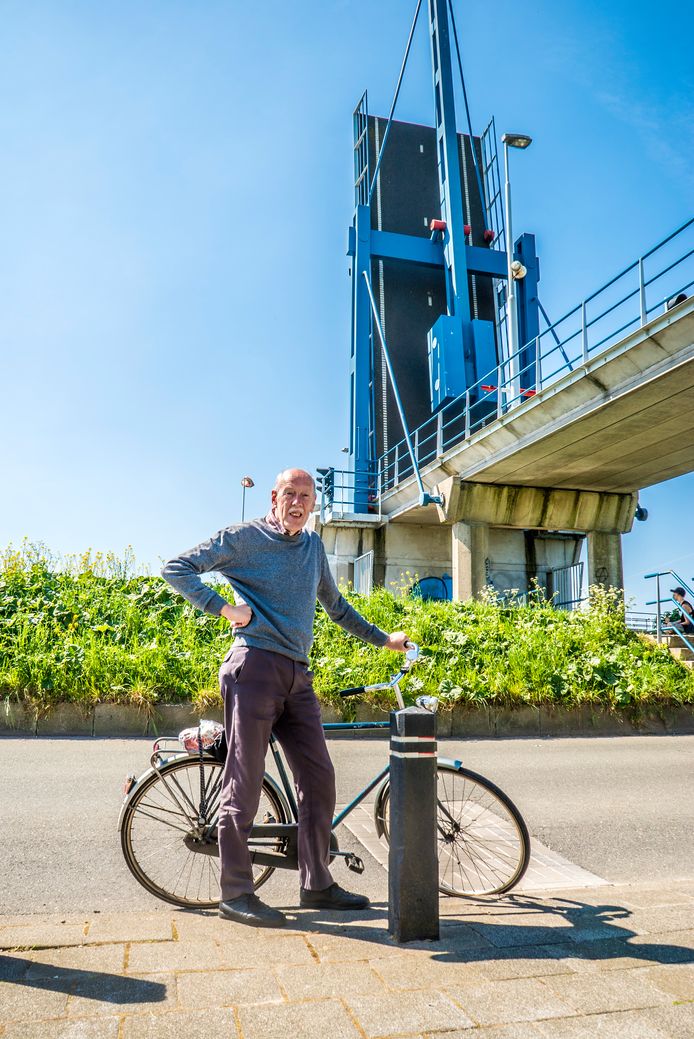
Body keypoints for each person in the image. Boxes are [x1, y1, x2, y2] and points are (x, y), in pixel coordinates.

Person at [161, 467, 409, 928]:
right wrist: (225, 608)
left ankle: (317, 884)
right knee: (245, 781)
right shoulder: (243, 539)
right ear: (273, 497)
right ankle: (236, 893)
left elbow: (337, 607)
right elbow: (176, 569)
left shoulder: (313, 547)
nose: (297, 502)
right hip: (252, 668)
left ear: (314, 503)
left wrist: (383, 641)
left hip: (298, 676)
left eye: (306, 496)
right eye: (289, 494)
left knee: (319, 779)